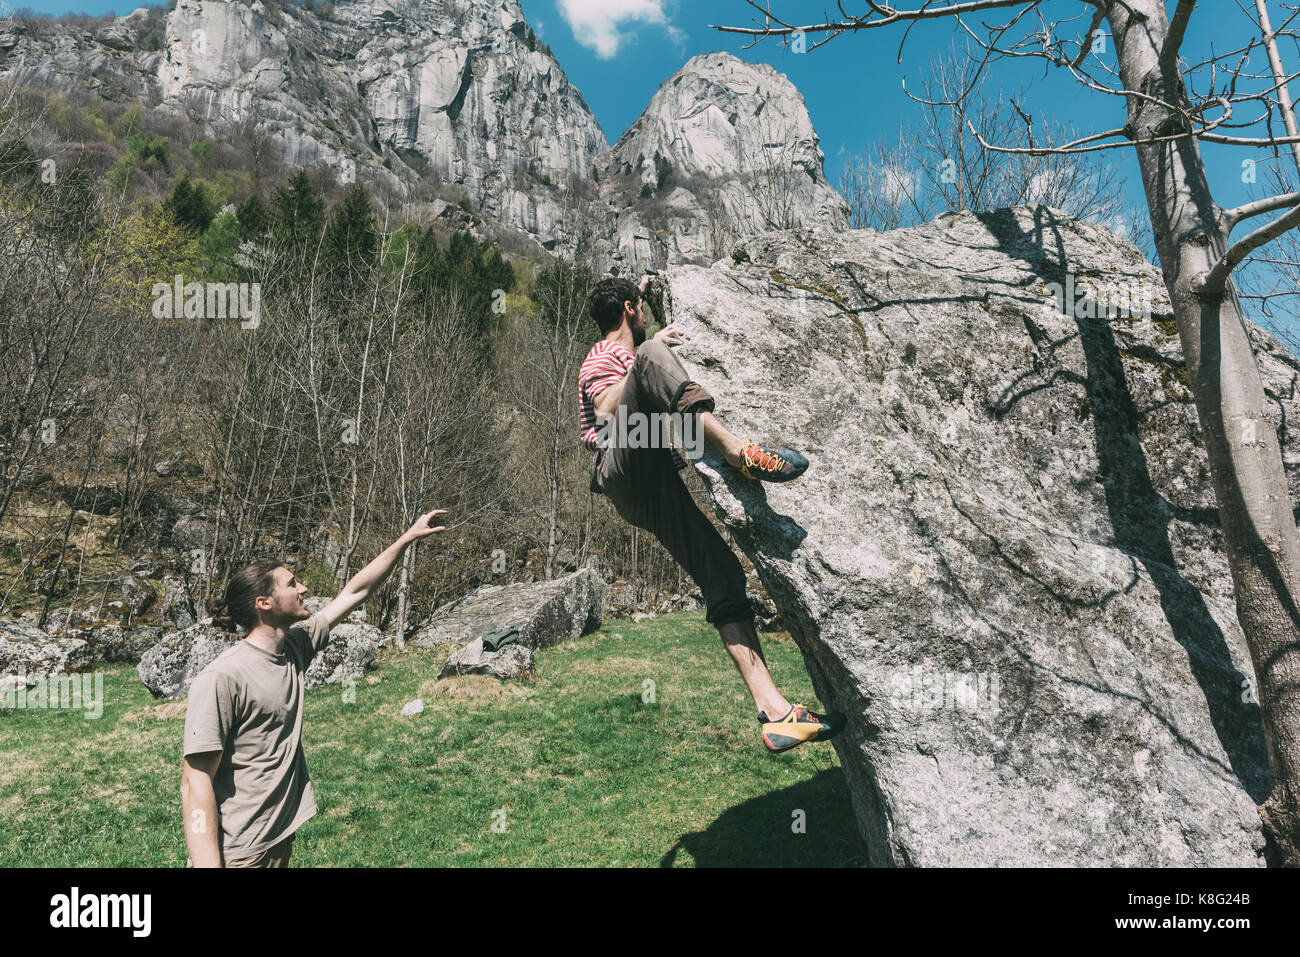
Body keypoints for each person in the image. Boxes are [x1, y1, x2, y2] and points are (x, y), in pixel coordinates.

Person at [580, 274, 844, 753]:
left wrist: (642, 291)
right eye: (639, 307)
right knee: (649, 357)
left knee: (721, 571)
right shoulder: (603, 355)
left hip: (650, 479)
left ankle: (775, 713)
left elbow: (640, 368)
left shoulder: (631, 343)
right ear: (628, 309)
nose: (644, 315)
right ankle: (736, 449)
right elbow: (602, 408)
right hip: (619, 461)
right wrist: (646, 351)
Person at [179, 509, 448, 867]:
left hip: (277, 838)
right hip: (239, 854)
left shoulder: (294, 647)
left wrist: (405, 540)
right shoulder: (222, 678)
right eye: (291, 584)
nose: (303, 588)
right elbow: (195, 784)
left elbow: (356, 592)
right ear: (264, 603)